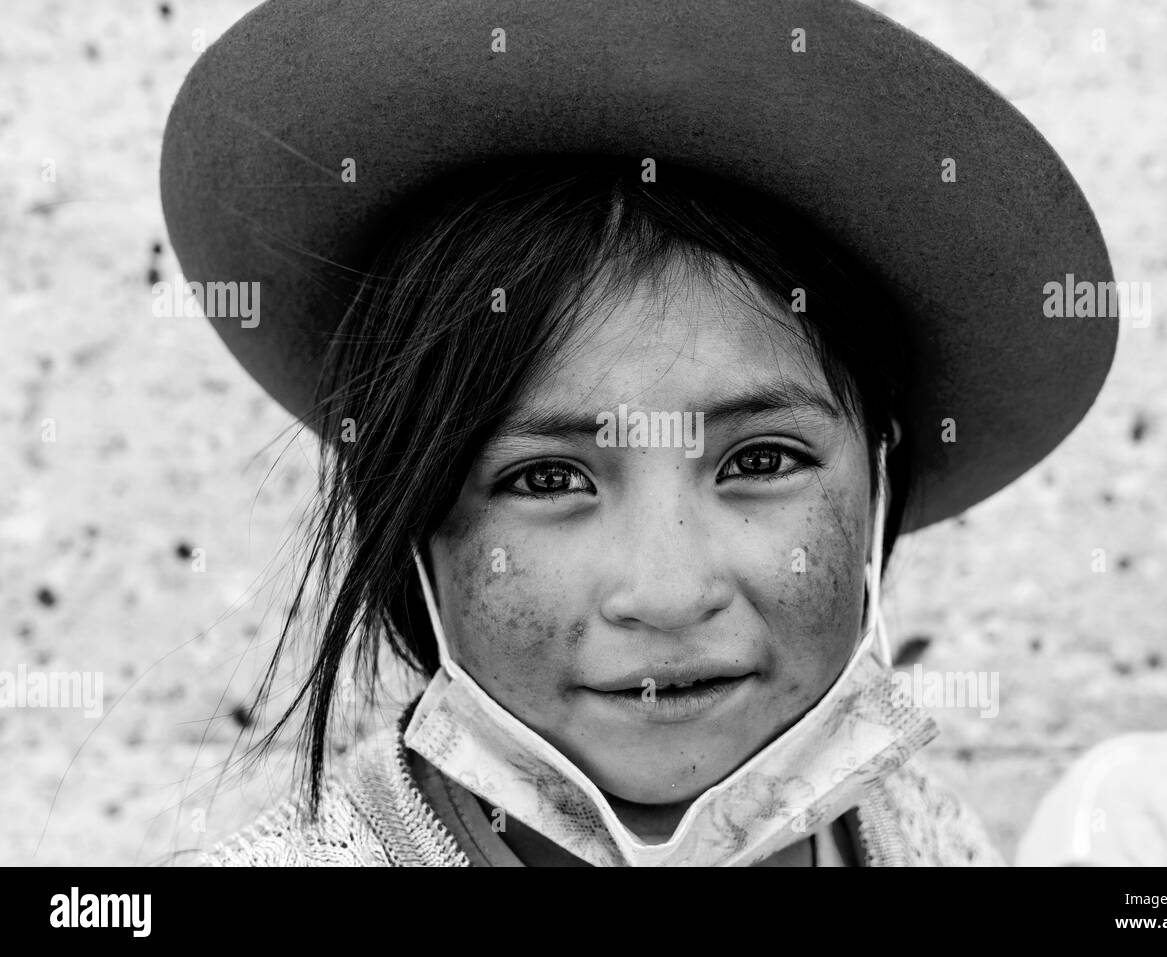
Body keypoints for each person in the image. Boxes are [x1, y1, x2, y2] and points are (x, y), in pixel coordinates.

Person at [160, 0, 1118, 866]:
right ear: (413, 522)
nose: (666, 595)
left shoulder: (928, 842)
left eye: (760, 460)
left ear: (876, 476)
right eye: (545, 479)